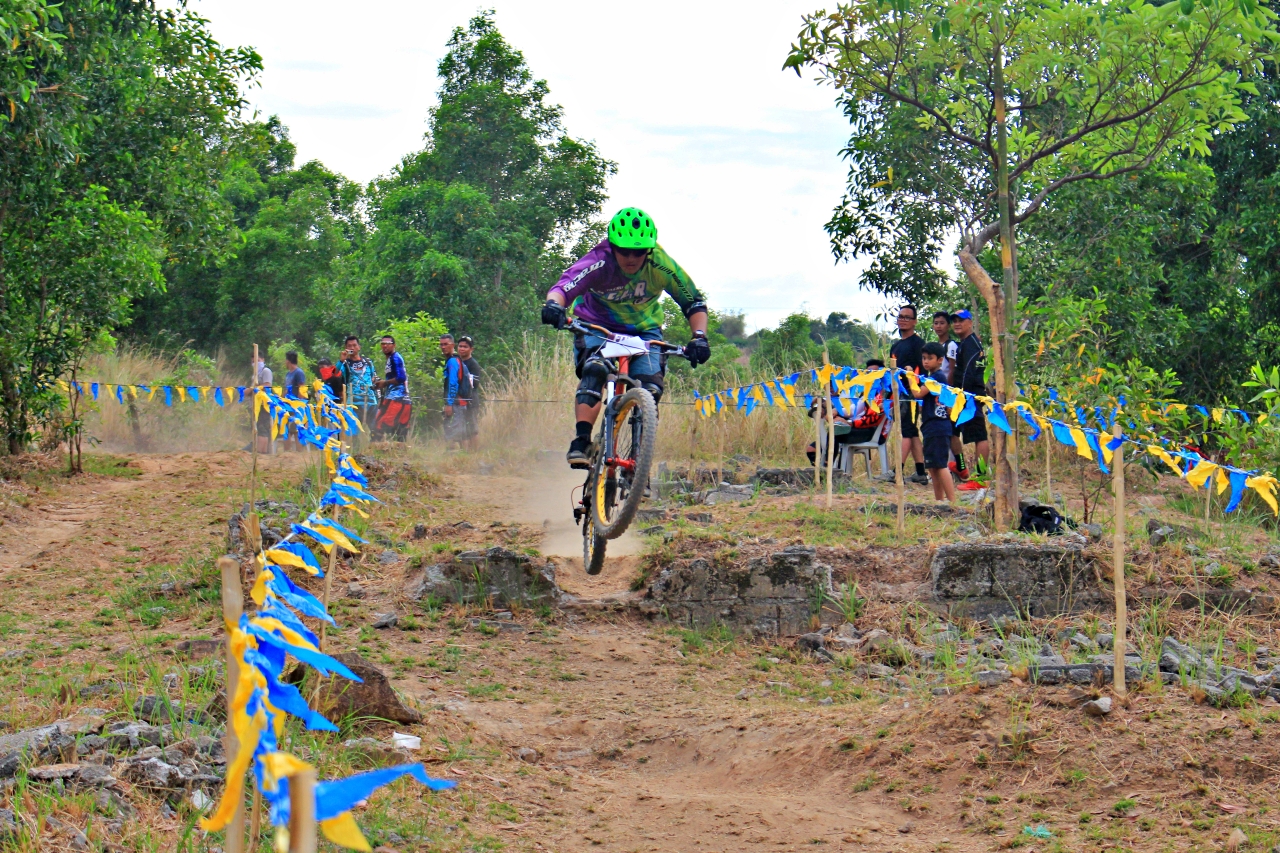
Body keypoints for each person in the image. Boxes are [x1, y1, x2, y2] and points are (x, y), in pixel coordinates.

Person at [541, 207, 709, 468]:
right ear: (613, 246)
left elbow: (693, 303)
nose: (631, 258)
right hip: (596, 326)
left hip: (644, 331)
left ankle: (640, 462)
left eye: (639, 251)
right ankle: (582, 440)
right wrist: (554, 306)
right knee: (595, 370)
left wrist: (699, 337)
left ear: (649, 250)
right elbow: (564, 287)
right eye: (624, 251)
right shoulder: (600, 260)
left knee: (650, 389)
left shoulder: (660, 264)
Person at [805, 357, 887, 464]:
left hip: (872, 432)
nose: (871, 376)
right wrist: (835, 411)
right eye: (868, 373)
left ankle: (828, 465)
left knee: (836, 431)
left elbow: (873, 420)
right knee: (833, 431)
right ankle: (827, 464)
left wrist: (849, 422)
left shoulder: (884, 394)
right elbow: (855, 409)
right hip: (859, 427)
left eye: (874, 373)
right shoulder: (868, 392)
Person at [910, 341, 957, 503]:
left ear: (940, 360)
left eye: (930, 358)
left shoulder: (936, 378)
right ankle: (939, 501)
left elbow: (917, 394)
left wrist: (910, 378)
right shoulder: (932, 377)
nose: (926, 361)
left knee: (941, 465)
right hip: (931, 426)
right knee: (933, 466)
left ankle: (951, 501)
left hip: (938, 426)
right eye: (924, 358)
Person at [889, 304, 929, 484]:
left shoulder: (918, 344)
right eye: (900, 316)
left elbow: (924, 371)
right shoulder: (896, 345)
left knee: (906, 432)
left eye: (907, 317)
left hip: (912, 395)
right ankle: (921, 472)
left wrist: (918, 392)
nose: (903, 320)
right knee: (911, 433)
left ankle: (897, 471)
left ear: (914, 321)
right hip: (897, 393)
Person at [952, 309, 991, 488]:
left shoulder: (972, 344)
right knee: (952, 431)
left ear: (970, 322)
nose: (957, 323)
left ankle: (981, 478)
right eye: (954, 321)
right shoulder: (964, 343)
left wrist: (964, 395)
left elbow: (969, 372)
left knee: (979, 435)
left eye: (961, 320)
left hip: (970, 396)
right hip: (961, 397)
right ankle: (961, 468)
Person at [933, 310, 969, 482]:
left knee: (953, 433)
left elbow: (952, 370)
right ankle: (947, 467)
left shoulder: (951, 346)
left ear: (948, 325)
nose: (939, 326)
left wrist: (947, 394)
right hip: (937, 395)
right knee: (943, 432)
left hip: (949, 394)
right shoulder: (935, 347)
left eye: (942, 323)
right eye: (936, 323)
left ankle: (961, 466)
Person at [373, 335, 411, 440]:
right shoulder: (391, 359)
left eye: (388, 344)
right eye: (383, 344)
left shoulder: (395, 358)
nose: (385, 346)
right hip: (402, 399)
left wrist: (384, 383)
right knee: (400, 430)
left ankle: (374, 453)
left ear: (393, 345)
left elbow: (401, 377)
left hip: (396, 399)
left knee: (378, 425)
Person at [439, 334, 472, 449]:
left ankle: (452, 459)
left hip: (456, 403)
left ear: (452, 345)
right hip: (461, 403)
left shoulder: (452, 362)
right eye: (441, 344)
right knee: (461, 434)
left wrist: (449, 403)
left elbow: (453, 383)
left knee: (452, 433)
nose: (443, 347)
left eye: (446, 344)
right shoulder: (456, 360)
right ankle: (464, 458)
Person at [339, 335, 379, 426]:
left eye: (354, 345)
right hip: (353, 401)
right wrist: (341, 360)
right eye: (349, 346)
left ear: (359, 347)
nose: (352, 347)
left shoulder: (368, 362)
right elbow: (335, 374)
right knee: (354, 430)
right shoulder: (345, 364)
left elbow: (374, 377)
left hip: (370, 400)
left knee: (375, 429)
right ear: (346, 348)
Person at [456, 335, 482, 450]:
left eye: (465, 347)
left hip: (470, 400)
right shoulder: (456, 362)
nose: (462, 349)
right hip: (458, 400)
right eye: (460, 346)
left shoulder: (473, 364)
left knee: (472, 428)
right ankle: (464, 453)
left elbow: (475, 384)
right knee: (460, 428)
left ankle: (474, 452)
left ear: (471, 349)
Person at [283, 352, 307, 451]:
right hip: (287, 406)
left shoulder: (299, 373)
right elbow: (286, 390)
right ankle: (287, 453)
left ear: (288, 361)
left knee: (296, 430)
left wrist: (299, 406)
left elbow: (302, 389)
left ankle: (299, 453)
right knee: (286, 430)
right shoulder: (288, 374)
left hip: (296, 406)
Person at [252, 353, 273, 454]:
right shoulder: (255, 375)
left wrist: (253, 388)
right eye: (253, 362)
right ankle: (260, 450)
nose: (255, 363)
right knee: (258, 427)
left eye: (257, 360)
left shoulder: (266, 371)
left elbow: (267, 385)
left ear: (263, 359)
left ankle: (262, 452)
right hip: (257, 405)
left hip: (264, 404)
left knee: (262, 428)